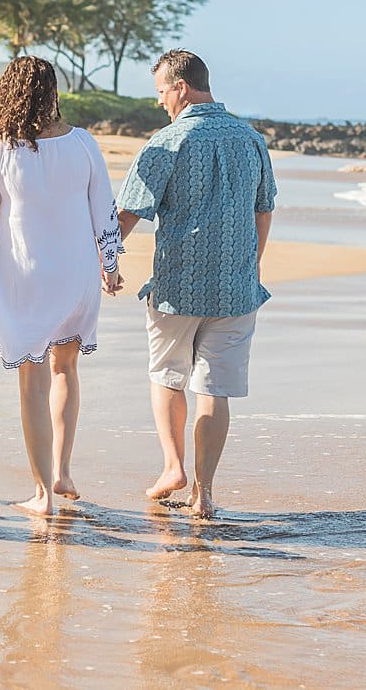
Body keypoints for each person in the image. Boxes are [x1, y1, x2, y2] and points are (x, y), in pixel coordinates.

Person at [0, 56, 123, 516]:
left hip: (26, 277)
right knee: (65, 370)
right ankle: (61, 471)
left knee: (31, 383)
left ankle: (42, 495)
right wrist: (111, 266)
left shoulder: (2, 148)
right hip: (77, 276)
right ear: (53, 91)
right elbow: (106, 210)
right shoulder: (83, 144)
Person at [116, 49, 276, 520]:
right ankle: (204, 493)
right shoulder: (252, 140)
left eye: (161, 92)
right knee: (215, 389)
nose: (160, 103)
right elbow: (263, 209)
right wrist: (252, 262)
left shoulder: (168, 141)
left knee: (167, 374)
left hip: (177, 287)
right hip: (236, 288)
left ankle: (172, 467)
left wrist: (102, 260)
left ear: (180, 88)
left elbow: (127, 212)